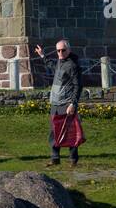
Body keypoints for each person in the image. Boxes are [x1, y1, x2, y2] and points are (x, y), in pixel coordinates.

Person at [34, 39, 82, 167]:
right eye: (58, 50)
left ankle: (73, 160)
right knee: (54, 131)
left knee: (70, 132)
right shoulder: (60, 62)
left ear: (69, 50)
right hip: (55, 103)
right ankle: (55, 158)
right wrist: (42, 55)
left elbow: (78, 86)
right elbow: (51, 65)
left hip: (66, 104)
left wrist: (73, 103)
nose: (60, 52)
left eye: (63, 50)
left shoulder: (72, 65)